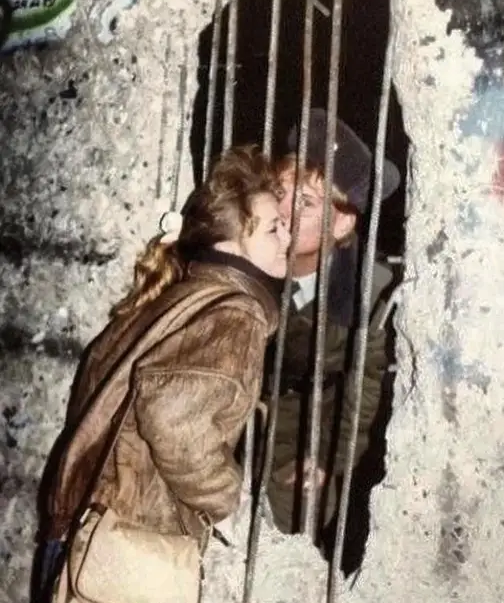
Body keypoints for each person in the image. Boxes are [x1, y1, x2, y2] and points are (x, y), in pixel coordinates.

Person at [34, 145, 290, 603]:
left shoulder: (175, 296)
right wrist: (224, 501)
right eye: (274, 228)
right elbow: (174, 419)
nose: (286, 238)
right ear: (232, 244)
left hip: (81, 527)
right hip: (128, 543)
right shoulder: (236, 312)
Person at [264, 108, 400, 566]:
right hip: (231, 416)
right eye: (278, 191)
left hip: (305, 425)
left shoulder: (366, 293)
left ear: (342, 223)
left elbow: (364, 394)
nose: (281, 210)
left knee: (287, 527)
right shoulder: (239, 253)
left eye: (304, 202)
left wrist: (326, 461)